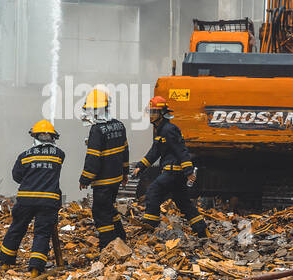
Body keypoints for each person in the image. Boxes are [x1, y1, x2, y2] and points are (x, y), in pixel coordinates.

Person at [134, 95, 207, 238]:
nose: (151, 115)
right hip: (173, 173)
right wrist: (140, 166)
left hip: (172, 172)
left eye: (154, 112)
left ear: (162, 113)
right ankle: (201, 230)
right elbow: (155, 152)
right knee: (183, 202)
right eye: (150, 112)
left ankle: (150, 227)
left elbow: (181, 150)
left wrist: (189, 171)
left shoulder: (169, 129)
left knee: (152, 193)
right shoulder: (161, 130)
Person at [0, 119, 64, 274]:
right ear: (53, 137)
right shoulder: (59, 154)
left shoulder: (24, 156)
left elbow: (16, 176)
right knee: (42, 233)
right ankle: (35, 267)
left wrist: (31, 180)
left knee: (17, 228)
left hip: (25, 200)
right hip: (48, 202)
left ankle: (5, 263)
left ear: (34, 136)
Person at [78, 87, 129, 248]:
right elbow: (125, 151)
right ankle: (120, 236)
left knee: (100, 212)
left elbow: (93, 158)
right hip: (116, 178)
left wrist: (85, 178)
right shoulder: (119, 125)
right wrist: (125, 172)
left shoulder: (97, 130)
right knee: (108, 208)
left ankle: (108, 245)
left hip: (103, 181)